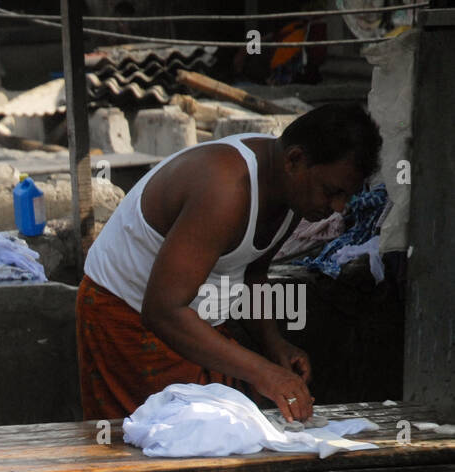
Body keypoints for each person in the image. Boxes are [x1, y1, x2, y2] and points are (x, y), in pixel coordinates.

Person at [76, 103, 382, 424]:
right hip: (128, 315)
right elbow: (163, 311)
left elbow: (253, 270)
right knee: (153, 446)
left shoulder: (295, 193)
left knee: (215, 440)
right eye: (331, 192)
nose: (337, 207)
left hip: (192, 318)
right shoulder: (224, 189)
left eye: (346, 196)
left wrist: (274, 346)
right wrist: (263, 372)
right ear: (294, 160)